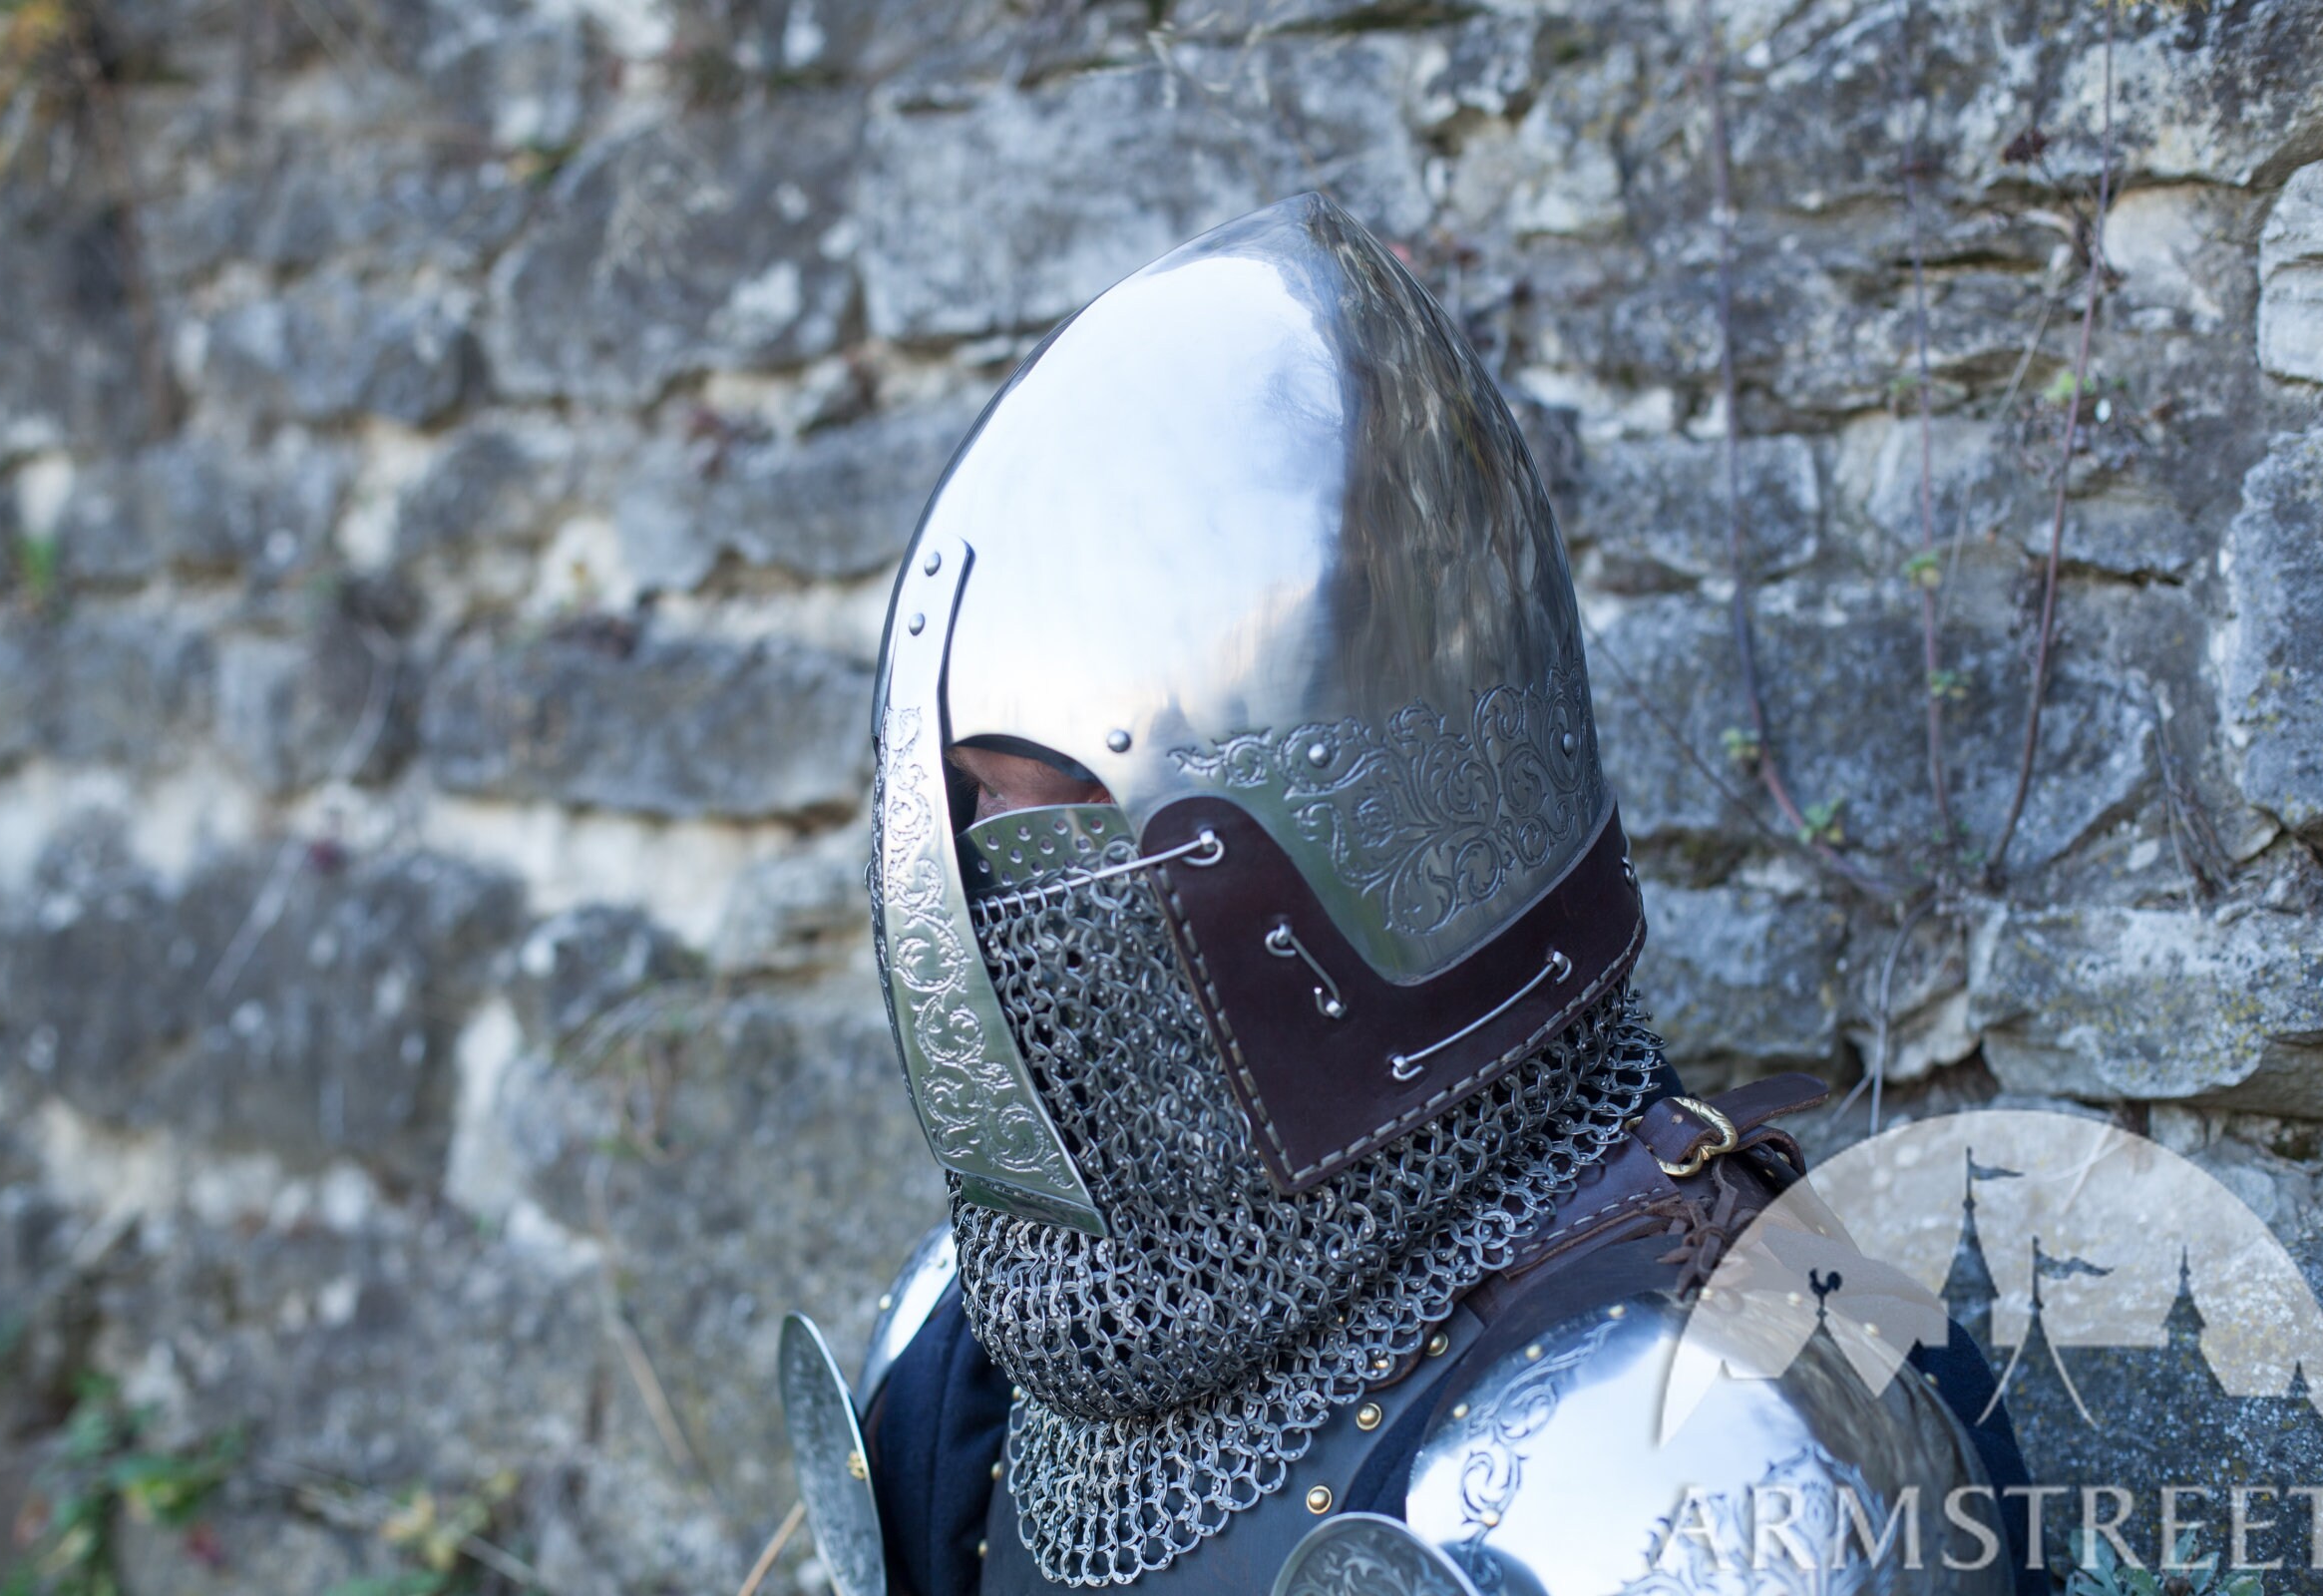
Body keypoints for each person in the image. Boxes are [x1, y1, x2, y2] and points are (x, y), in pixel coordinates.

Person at [804, 194, 2039, 1596]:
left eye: (1057, 800)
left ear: (1352, 827)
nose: (966, 900)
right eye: (964, 806)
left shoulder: (1696, 1444)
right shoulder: (965, 1367)